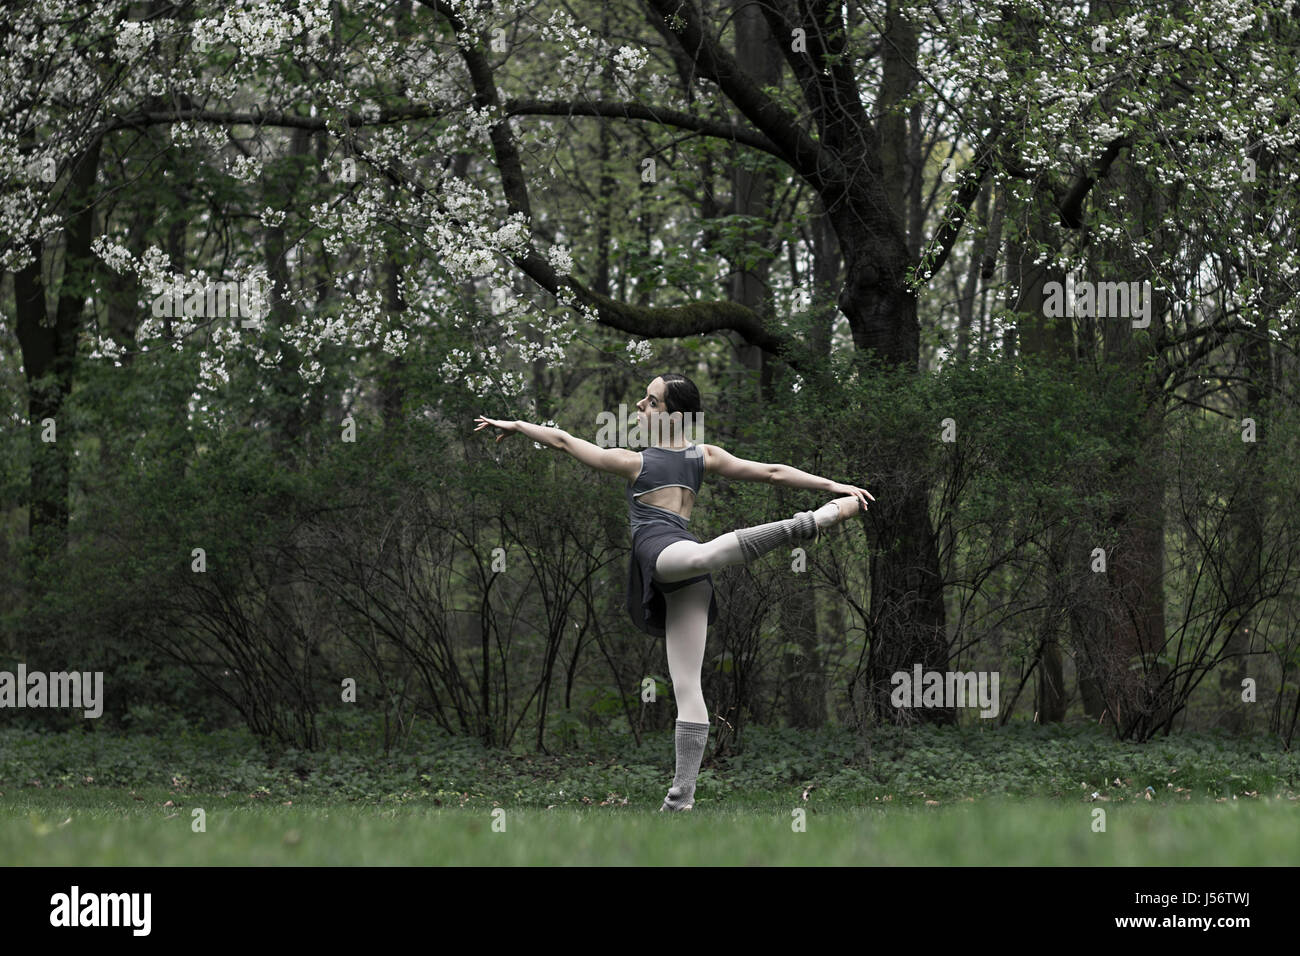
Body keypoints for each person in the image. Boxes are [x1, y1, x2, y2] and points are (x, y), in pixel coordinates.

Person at [474, 373, 873, 811]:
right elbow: (566, 441)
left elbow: (773, 472)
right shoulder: (637, 460)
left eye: (650, 401)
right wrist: (517, 426)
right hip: (665, 553)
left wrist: (831, 485)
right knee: (699, 565)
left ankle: (681, 799)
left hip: (681, 556)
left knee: (688, 682)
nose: (639, 406)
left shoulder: (698, 457)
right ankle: (811, 522)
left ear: (674, 415)